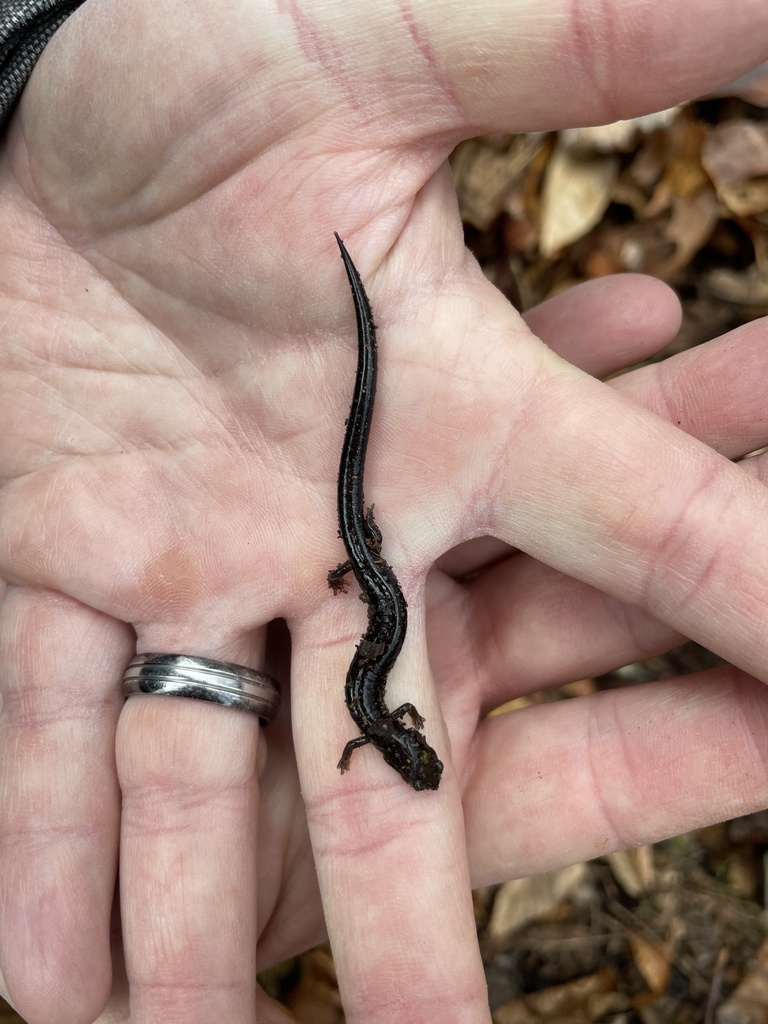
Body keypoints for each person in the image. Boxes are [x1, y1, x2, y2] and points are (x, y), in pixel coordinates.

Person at [1, 1, 767, 1021]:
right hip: (360, 563)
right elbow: (371, 702)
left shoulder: (381, 722)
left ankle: (361, 340)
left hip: (363, 563)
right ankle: (357, 332)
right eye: (415, 757)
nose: (412, 754)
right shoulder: (377, 722)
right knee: (358, 461)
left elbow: (376, 698)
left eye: (412, 759)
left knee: (359, 467)